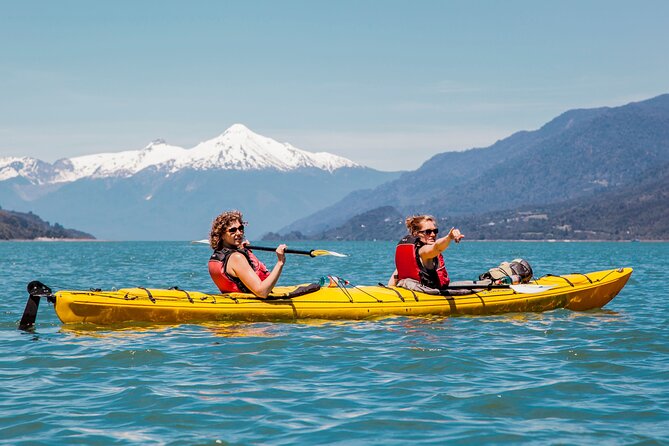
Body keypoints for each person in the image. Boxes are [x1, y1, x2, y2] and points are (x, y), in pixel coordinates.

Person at [208, 210, 287, 298]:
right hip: (251, 302)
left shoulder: (217, 256)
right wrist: (280, 262)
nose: (239, 233)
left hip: (234, 300)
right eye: (232, 230)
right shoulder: (237, 258)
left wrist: (244, 252)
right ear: (221, 235)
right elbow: (262, 292)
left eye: (241, 228)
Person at [388, 214, 464, 291]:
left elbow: (392, 282)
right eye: (428, 232)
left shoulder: (412, 255)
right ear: (415, 233)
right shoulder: (423, 251)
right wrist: (449, 237)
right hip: (425, 297)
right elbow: (437, 247)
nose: (433, 234)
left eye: (435, 231)